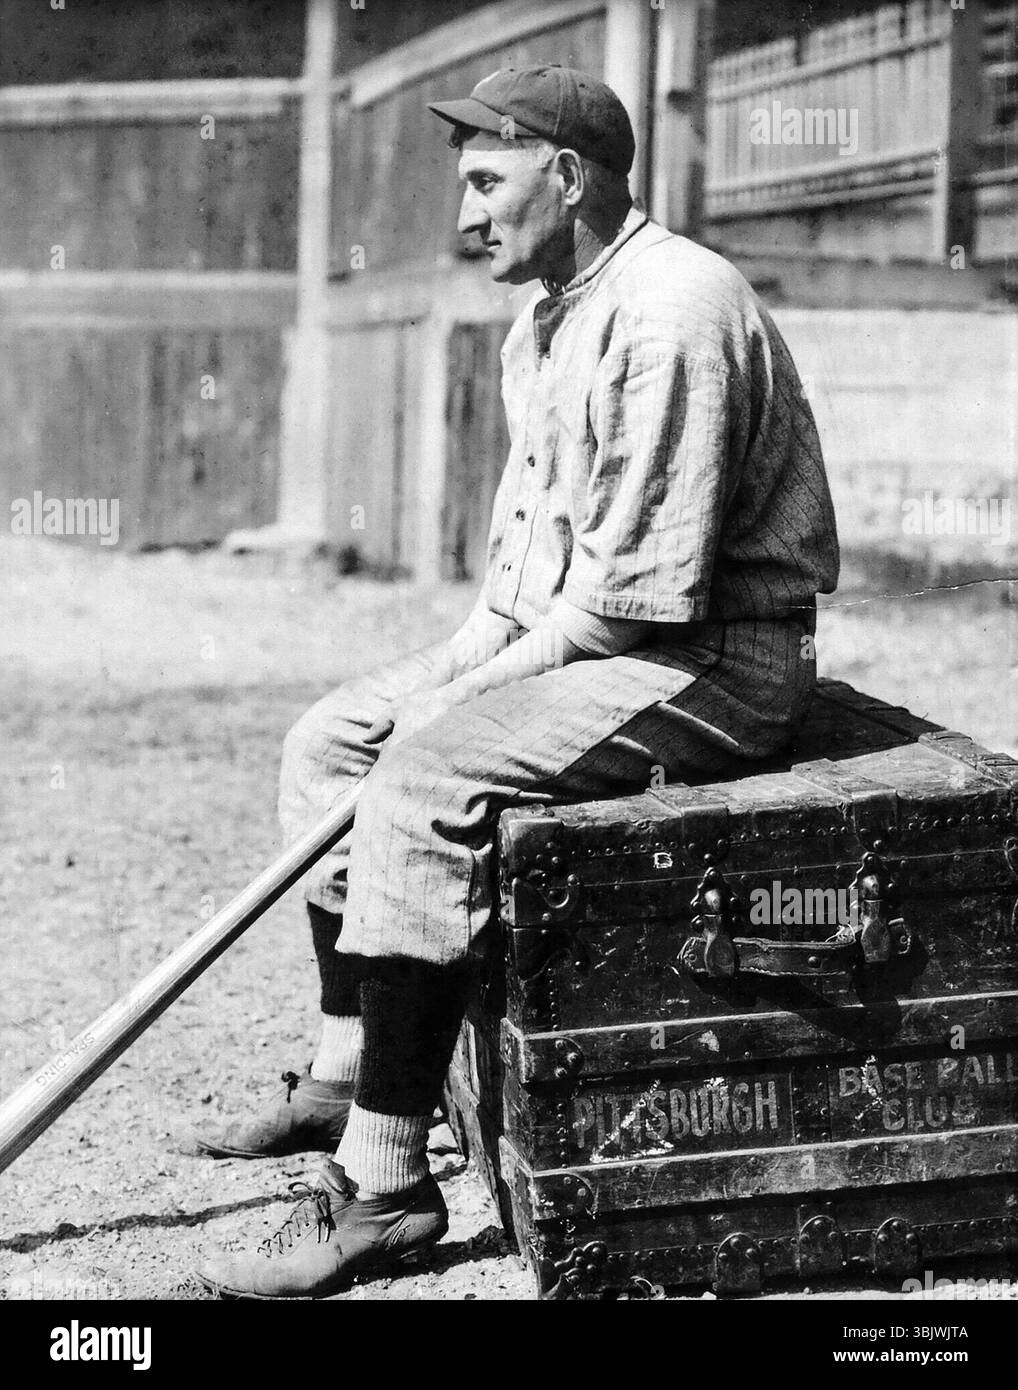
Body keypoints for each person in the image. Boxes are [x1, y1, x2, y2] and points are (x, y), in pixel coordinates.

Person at [193, 64, 839, 1298]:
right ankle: (347, 1078)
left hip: (713, 658)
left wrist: (443, 721)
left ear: (570, 176)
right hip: (598, 635)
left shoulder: (673, 310)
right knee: (335, 738)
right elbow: (517, 593)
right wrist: (428, 683)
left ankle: (384, 1189)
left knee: (425, 780)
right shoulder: (541, 316)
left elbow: (624, 605)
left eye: (487, 183)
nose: (466, 215)